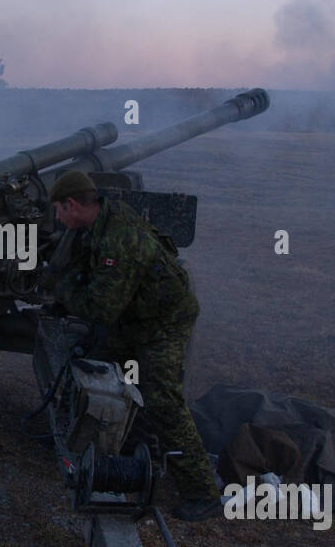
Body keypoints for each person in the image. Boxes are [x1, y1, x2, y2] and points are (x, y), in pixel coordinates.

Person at [47, 169, 224, 521]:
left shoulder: (119, 240)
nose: (56, 218)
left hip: (164, 323)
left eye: (58, 210)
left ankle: (203, 493)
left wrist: (62, 289)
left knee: (163, 399)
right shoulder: (103, 219)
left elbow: (102, 308)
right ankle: (96, 444)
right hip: (136, 316)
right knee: (94, 364)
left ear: (71, 205)